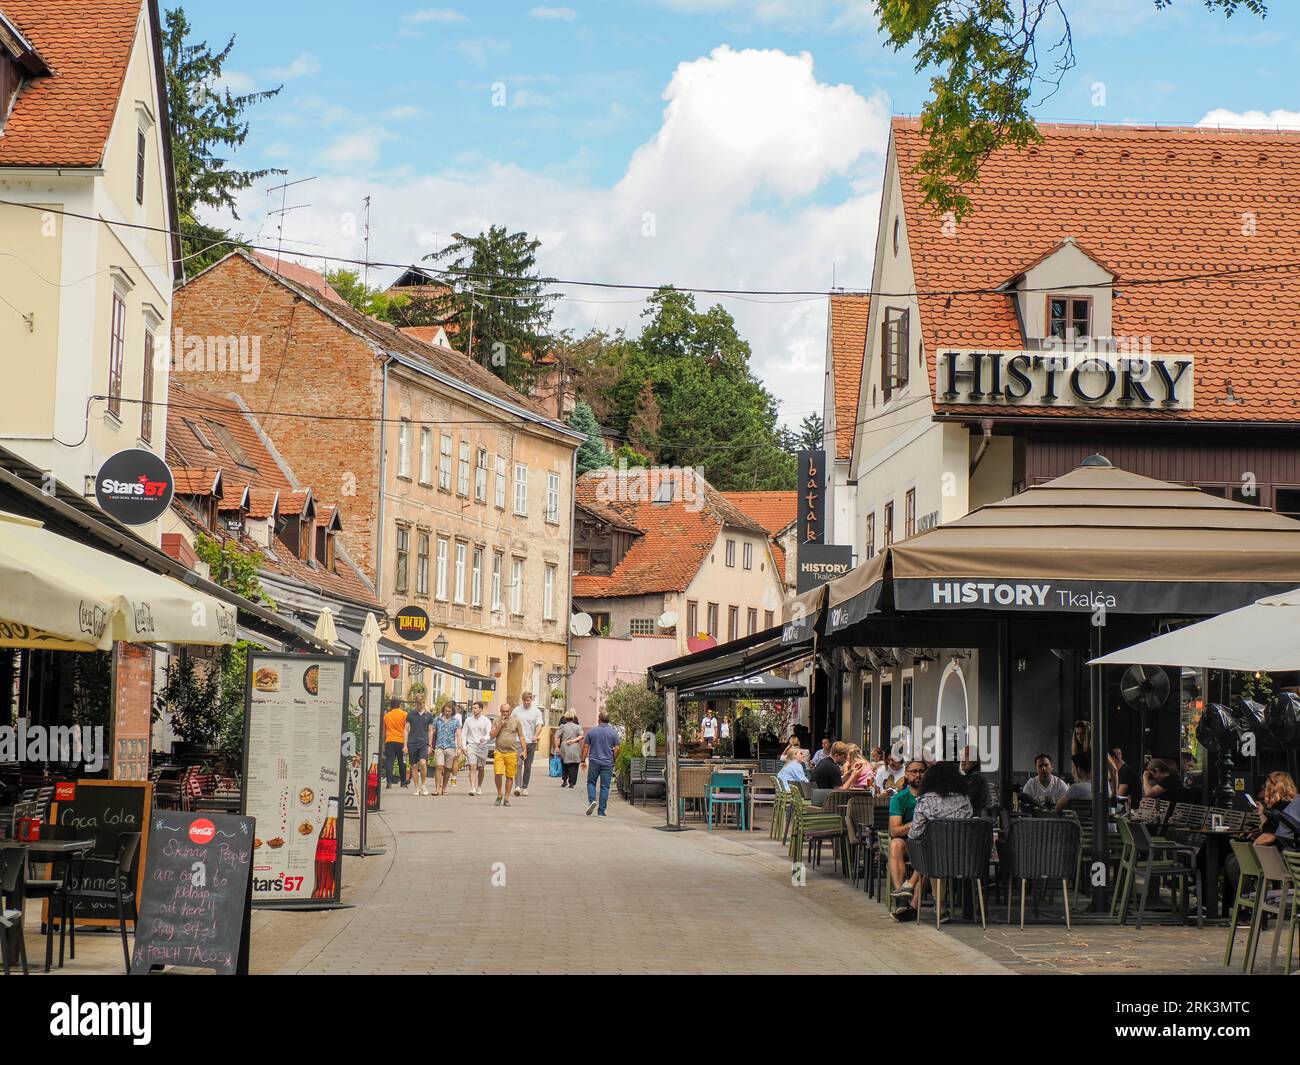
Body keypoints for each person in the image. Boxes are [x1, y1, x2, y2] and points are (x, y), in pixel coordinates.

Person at [886, 760, 926, 916]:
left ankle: (914, 907)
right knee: (895, 844)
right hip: (906, 841)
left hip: (926, 842)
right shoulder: (899, 798)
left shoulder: (932, 798)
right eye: (914, 771)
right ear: (907, 774)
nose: (918, 775)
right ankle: (900, 896)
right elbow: (894, 831)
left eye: (921, 771)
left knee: (929, 850)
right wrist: (917, 823)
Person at [582, 710, 622, 817]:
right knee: (605, 787)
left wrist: (583, 760)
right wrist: (613, 759)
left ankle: (592, 801)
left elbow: (586, 746)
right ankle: (601, 812)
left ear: (599, 719)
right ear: (608, 720)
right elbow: (617, 748)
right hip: (608, 763)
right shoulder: (613, 733)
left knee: (591, 783)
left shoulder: (592, 731)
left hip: (594, 761)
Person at [490, 701, 526, 806]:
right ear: (500, 711)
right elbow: (492, 735)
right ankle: (499, 794)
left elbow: (521, 736)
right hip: (499, 751)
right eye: (503, 711)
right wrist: (500, 725)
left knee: (510, 776)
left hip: (512, 752)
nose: (505, 714)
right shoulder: (496, 720)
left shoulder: (516, 721)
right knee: (498, 773)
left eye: (507, 711)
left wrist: (524, 750)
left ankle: (506, 798)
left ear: (510, 712)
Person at [513, 691, 544, 797]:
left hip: (531, 741)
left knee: (527, 766)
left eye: (528, 700)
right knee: (518, 764)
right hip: (518, 741)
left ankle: (525, 787)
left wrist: (536, 735)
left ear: (531, 700)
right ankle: (517, 786)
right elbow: (511, 722)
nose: (526, 702)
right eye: (524, 700)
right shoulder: (517, 710)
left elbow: (539, 725)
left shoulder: (536, 712)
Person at [405, 698, 434, 796]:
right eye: (417, 704)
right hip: (412, 742)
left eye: (420, 704)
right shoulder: (410, 714)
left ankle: (424, 784)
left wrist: (430, 745)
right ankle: (416, 787)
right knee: (413, 765)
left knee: (423, 762)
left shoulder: (429, 715)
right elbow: (406, 730)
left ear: (424, 703)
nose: (418, 706)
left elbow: (430, 730)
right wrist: (405, 745)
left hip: (423, 743)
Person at [432, 701, 462, 796]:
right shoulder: (437, 720)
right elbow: (432, 733)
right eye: (445, 711)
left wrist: (459, 747)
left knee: (448, 769)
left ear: (452, 712)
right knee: (439, 766)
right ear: (443, 710)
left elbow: (458, 734)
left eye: (449, 711)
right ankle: (437, 788)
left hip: (450, 747)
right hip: (439, 746)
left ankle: (444, 788)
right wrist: (429, 745)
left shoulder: (456, 721)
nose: (447, 713)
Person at [462, 701, 492, 795]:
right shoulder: (468, 720)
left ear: (481, 709)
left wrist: (485, 738)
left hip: (482, 746)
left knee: (481, 768)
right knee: (472, 766)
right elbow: (464, 733)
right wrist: (464, 746)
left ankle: (479, 786)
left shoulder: (486, 720)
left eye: (475, 708)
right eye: (473, 708)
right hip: (471, 745)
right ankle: (473, 788)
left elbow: (489, 732)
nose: (473, 710)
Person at [382, 697, 408, 789]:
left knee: (389, 762)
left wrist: (384, 741)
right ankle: (403, 782)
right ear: (399, 705)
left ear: (390, 705)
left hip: (390, 740)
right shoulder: (404, 714)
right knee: (402, 762)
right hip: (401, 741)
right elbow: (407, 729)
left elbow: (384, 731)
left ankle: (389, 783)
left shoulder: (386, 716)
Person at [959, 746, 991, 814]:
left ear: (975, 759)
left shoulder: (975, 777)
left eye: (967, 756)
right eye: (961, 756)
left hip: (974, 820)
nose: (962, 760)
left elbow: (964, 801)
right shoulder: (976, 775)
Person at [557, 710, 583, 789]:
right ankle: (572, 782)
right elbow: (581, 735)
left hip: (564, 746)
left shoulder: (563, 726)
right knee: (574, 765)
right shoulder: (578, 727)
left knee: (564, 763)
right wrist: (573, 740)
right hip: (574, 746)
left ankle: (564, 780)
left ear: (565, 718)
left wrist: (556, 746)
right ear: (573, 718)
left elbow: (556, 736)